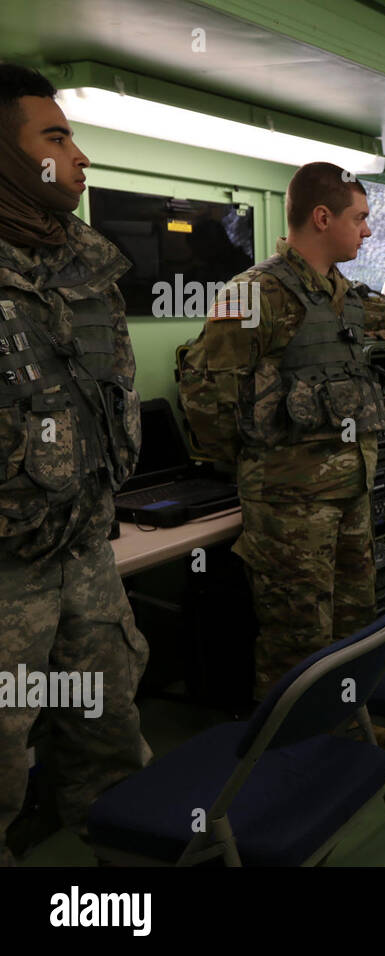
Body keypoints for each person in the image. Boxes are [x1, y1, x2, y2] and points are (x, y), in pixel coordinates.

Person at [0, 64, 150, 863]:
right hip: (4, 573)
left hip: (86, 552)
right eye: (56, 137)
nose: (79, 156)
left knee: (111, 742)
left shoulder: (89, 265)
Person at [179, 162, 385, 696]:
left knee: (356, 627)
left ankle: (347, 736)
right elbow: (208, 400)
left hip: (351, 495)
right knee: (298, 643)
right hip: (290, 507)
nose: (369, 231)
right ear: (322, 217)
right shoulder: (256, 294)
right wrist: (263, 465)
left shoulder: (347, 296)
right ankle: (293, 762)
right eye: (360, 218)